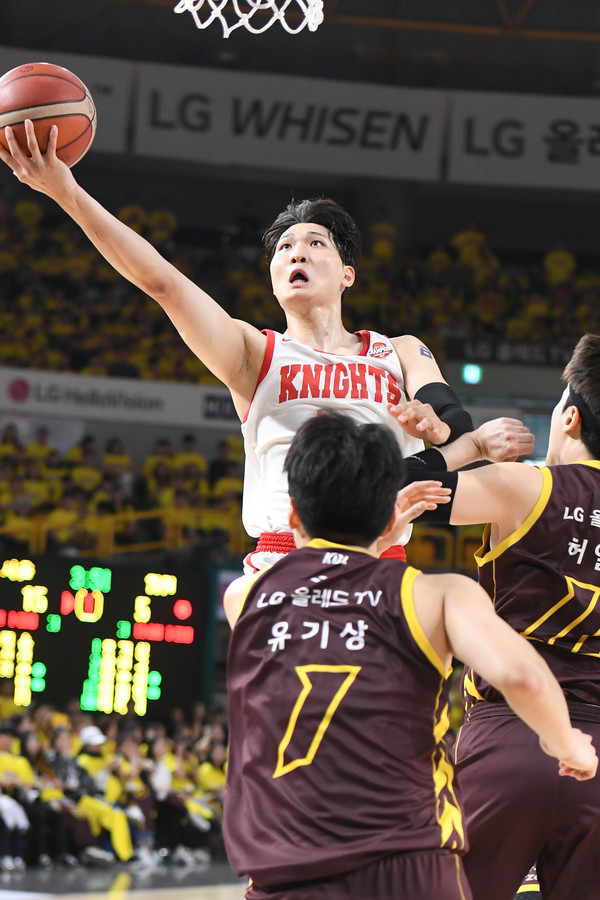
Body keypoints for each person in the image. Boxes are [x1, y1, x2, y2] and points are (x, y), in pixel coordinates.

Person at [0, 121, 480, 572]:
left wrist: (436, 429)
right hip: (283, 560)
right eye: (284, 249)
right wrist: (67, 193)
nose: (296, 252)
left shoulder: (399, 350)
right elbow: (163, 282)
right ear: (273, 278)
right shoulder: (253, 352)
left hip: (380, 557)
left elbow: (455, 422)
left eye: (316, 243)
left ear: (347, 275)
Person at [221, 411, 596, 900]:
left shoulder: (246, 596)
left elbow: (322, 589)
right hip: (407, 865)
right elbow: (522, 675)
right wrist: (568, 745)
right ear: (390, 519)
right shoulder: (436, 596)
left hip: (286, 865)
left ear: (292, 515)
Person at [389, 332, 600, 900]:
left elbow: (385, 488)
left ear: (571, 419)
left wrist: (469, 446)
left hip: (512, 739)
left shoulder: (524, 487)